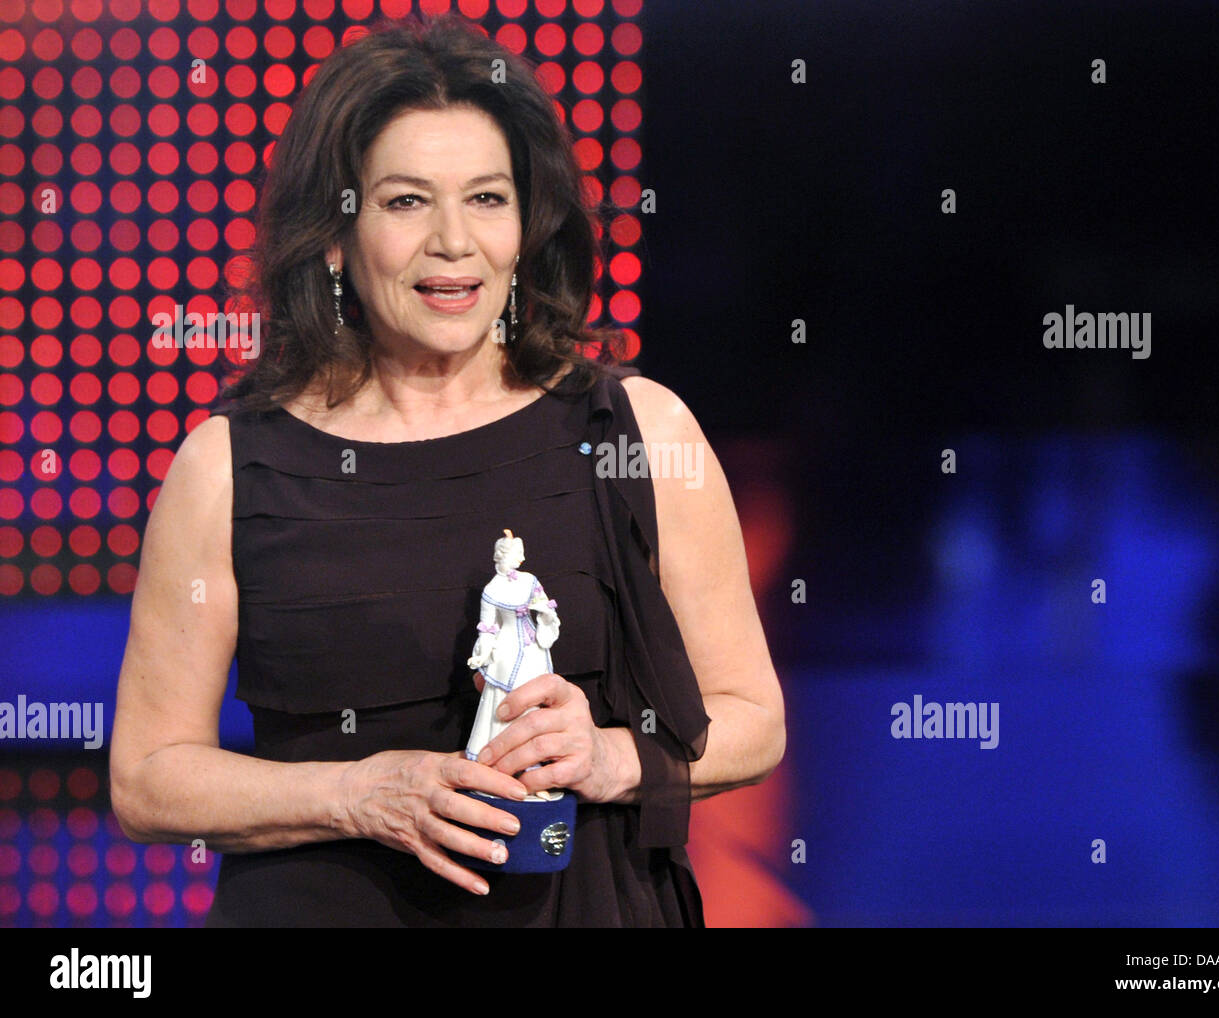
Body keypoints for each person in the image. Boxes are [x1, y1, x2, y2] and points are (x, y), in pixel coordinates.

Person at [108, 13, 785, 927]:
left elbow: (753, 718)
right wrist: (355, 793)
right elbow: (149, 778)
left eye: (487, 198)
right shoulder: (230, 464)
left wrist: (609, 757)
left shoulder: (637, 430)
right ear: (337, 237)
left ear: (527, 226)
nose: (453, 243)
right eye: (406, 202)